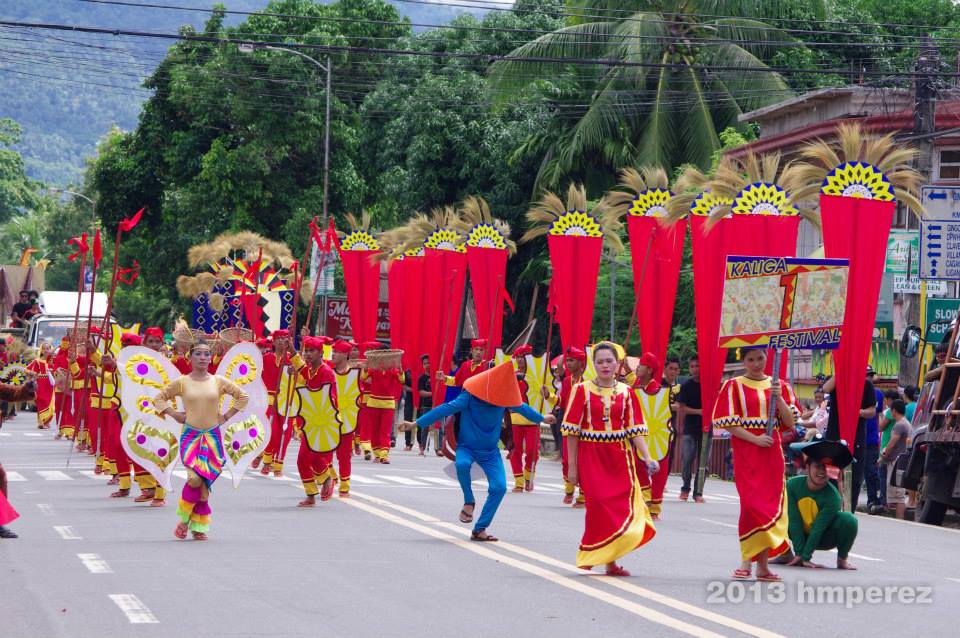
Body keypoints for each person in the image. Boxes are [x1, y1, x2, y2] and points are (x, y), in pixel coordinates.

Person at [406, 361, 553, 542]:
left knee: (499, 488)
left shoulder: (504, 398)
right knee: (462, 464)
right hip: (467, 448)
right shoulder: (470, 396)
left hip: (490, 452)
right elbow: (444, 409)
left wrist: (542, 418)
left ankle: (480, 528)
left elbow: (523, 408)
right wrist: (415, 423)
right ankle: (469, 501)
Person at [563, 342, 657, 575]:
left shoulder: (626, 393)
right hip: (591, 455)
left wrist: (647, 457)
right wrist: (572, 469)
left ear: (617, 364)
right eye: (600, 361)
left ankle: (612, 561)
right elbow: (572, 431)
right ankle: (597, 553)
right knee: (598, 506)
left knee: (620, 507)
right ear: (593, 365)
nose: (605, 365)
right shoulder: (582, 390)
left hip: (619, 456)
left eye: (609, 361)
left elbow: (635, 429)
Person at [713, 348, 800, 582]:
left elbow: (790, 423)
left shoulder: (779, 385)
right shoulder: (733, 385)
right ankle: (745, 561)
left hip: (772, 454)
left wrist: (778, 397)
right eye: (750, 359)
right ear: (743, 361)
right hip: (747, 452)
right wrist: (755, 439)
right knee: (751, 506)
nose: (756, 363)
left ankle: (762, 566)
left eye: (760, 358)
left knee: (769, 507)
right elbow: (729, 424)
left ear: (766, 359)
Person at [153, 341, 249, 540]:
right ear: (190, 357)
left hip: (213, 436)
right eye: (198, 353)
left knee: (204, 484)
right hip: (191, 436)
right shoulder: (182, 382)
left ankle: (198, 528)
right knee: (194, 478)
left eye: (207, 354)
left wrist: (227, 416)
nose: (203, 357)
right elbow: (159, 398)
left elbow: (242, 397)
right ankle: (185, 520)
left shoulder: (218, 381)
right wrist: (173, 413)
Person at [779, 436, 858, 570]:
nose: (822, 472)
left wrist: (805, 557)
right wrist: (799, 553)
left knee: (849, 520)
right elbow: (794, 520)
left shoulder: (833, 498)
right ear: (808, 467)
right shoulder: (792, 485)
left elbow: (818, 528)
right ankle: (785, 553)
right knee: (770, 509)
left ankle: (842, 559)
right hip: (795, 533)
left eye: (826, 468)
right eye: (818, 466)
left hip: (822, 538)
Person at [290, 336, 339, 506]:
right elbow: (300, 367)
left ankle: (326, 479)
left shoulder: (326, 372)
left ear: (321, 353)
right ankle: (311, 494)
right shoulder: (310, 370)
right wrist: (291, 348)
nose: (308, 354)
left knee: (314, 456)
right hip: (310, 420)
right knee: (303, 459)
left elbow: (329, 398)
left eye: (312, 351)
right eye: (307, 351)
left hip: (324, 421)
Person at [822, 369, 877, 512]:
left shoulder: (866, 385)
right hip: (835, 435)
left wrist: (859, 412)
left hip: (856, 436)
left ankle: (849, 511)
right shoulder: (837, 381)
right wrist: (840, 371)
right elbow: (826, 388)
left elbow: (872, 411)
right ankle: (831, 509)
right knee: (832, 474)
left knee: (855, 477)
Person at [632, 352, 670, 519]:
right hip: (639, 434)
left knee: (659, 471)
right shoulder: (636, 387)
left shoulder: (658, 390)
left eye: (641, 365)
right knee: (638, 465)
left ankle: (654, 507)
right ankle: (645, 501)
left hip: (657, 435)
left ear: (649, 370)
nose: (637, 367)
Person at [258, 329, 296, 476]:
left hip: (287, 400)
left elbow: (303, 373)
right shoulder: (265, 358)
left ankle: (278, 464)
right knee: (271, 432)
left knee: (285, 434)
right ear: (273, 342)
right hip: (270, 400)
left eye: (285, 338)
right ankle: (267, 460)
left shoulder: (293, 359)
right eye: (278, 338)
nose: (281, 341)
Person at [360, 348, 404, 464]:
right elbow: (363, 378)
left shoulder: (393, 369)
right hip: (373, 402)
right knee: (375, 429)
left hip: (388, 403)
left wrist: (400, 370)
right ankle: (377, 453)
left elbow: (402, 380)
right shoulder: (373, 368)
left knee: (385, 430)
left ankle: (384, 455)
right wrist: (365, 367)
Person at [508, 344, 540, 492]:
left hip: (533, 420)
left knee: (533, 451)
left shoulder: (538, 375)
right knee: (515, 451)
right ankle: (519, 481)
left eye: (524, 357)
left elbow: (546, 398)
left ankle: (528, 477)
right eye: (519, 357)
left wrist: (547, 395)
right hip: (514, 419)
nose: (521, 360)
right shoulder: (510, 374)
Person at [331, 339, 360, 497]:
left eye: (337, 352)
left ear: (345, 355)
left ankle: (345, 483)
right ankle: (331, 476)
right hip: (328, 418)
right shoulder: (328, 371)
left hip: (347, 419)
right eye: (333, 351)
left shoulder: (356, 373)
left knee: (344, 455)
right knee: (322, 453)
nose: (333, 354)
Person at [676, 355, 706, 502]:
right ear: (689, 368)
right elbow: (682, 408)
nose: (695, 369)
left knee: (703, 463)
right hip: (690, 429)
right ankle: (685, 489)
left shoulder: (709, 384)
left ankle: (698, 492)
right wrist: (699, 411)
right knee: (687, 459)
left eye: (698, 366)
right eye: (693, 366)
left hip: (707, 430)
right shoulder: (686, 386)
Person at [880, 399, 912, 519]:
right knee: (899, 491)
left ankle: (899, 519)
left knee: (898, 493)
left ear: (894, 411)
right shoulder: (906, 423)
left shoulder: (900, 425)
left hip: (897, 461)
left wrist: (884, 454)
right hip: (902, 460)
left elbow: (892, 443)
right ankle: (899, 518)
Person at [861, 368, 884, 514]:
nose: (868, 377)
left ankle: (872, 499)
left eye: (870, 375)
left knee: (870, 471)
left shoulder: (878, 394)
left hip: (871, 438)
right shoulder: (854, 391)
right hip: (855, 437)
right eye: (865, 375)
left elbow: (879, 414)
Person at [415, 355, 436, 455]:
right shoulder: (422, 378)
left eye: (428, 362)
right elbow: (421, 392)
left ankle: (438, 447)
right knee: (425, 426)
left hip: (437, 404)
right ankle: (423, 447)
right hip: (426, 405)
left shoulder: (438, 376)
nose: (427, 365)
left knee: (439, 427)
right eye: (425, 363)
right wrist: (432, 394)